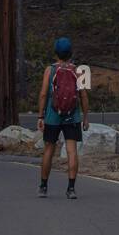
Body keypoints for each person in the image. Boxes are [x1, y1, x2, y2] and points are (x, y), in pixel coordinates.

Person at [37, 37, 89, 198]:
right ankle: (71, 189)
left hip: (53, 115)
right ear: (70, 53)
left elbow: (44, 93)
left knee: (49, 150)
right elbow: (84, 96)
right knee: (72, 151)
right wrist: (85, 117)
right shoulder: (80, 70)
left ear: (56, 53)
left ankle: (43, 187)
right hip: (72, 116)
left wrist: (40, 115)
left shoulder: (49, 70)